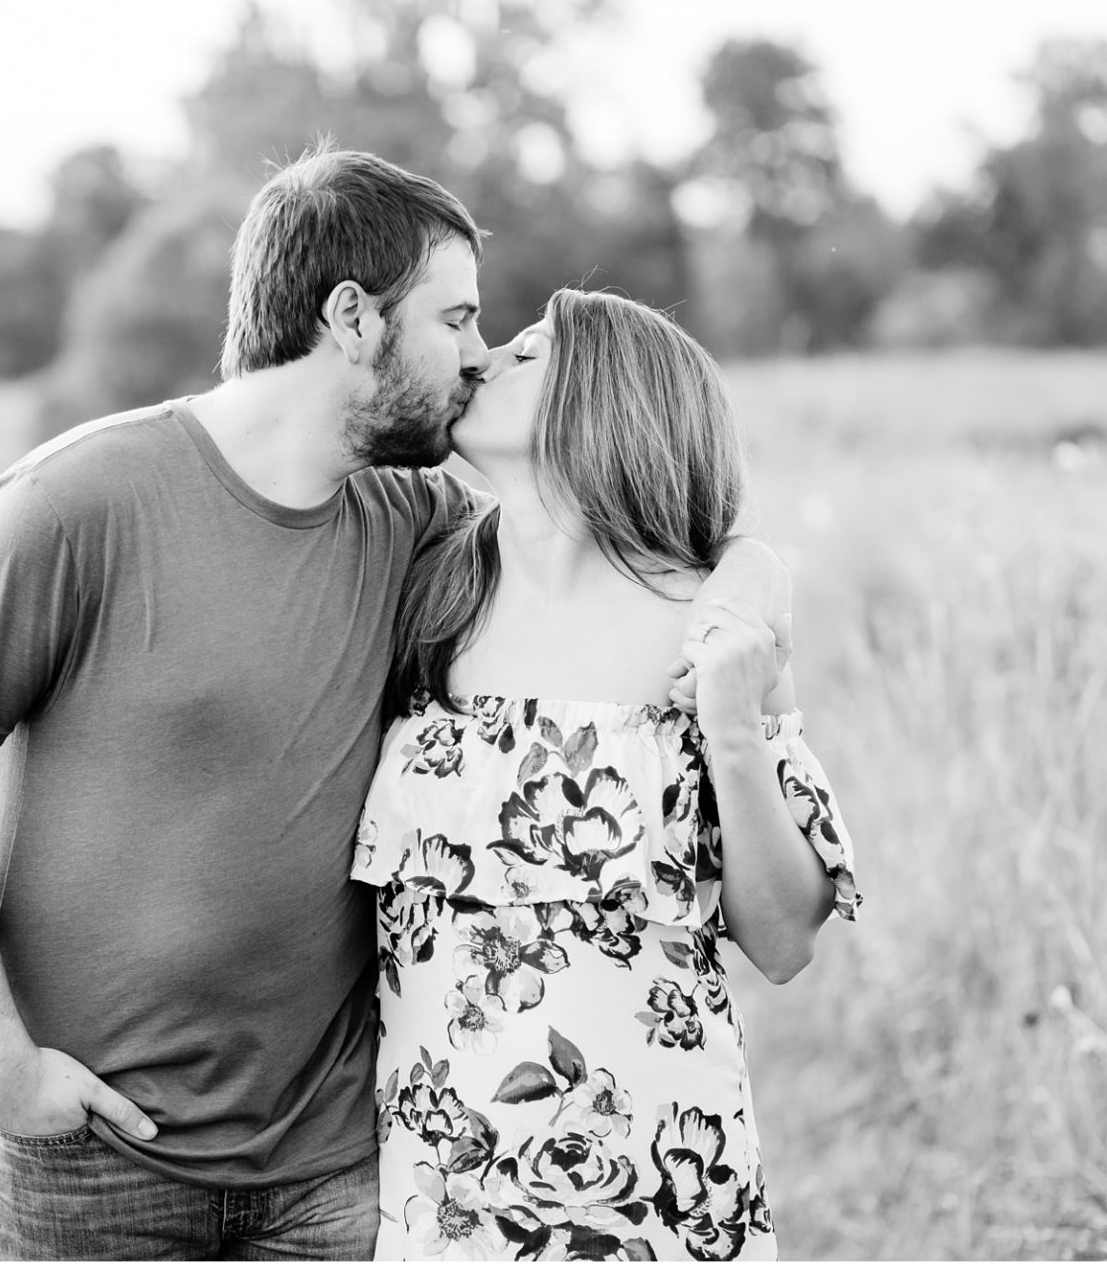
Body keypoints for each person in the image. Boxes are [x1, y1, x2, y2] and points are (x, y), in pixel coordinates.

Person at [0, 149, 792, 1263]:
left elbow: (630, 514)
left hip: (341, 1161)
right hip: (96, 1154)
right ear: (352, 318)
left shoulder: (413, 523)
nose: (477, 354)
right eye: (453, 318)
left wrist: (749, 582)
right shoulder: (74, 503)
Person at [358, 290, 858, 1261]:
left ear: (606, 395)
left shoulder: (709, 620)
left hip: (641, 1189)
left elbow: (784, 938)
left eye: (528, 350)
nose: (483, 356)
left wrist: (731, 726)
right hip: (437, 1188)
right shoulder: (430, 588)